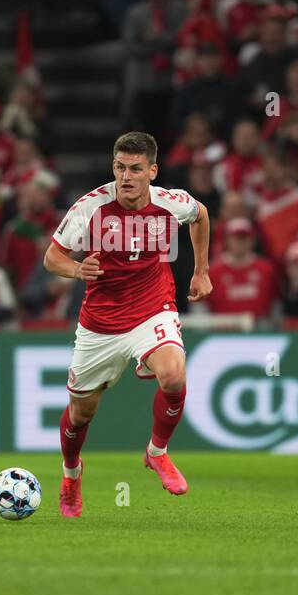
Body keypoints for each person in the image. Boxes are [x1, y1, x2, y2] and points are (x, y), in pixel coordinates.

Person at [41, 131, 211, 517]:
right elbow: (52, 258)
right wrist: (77, 269)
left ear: (153, 171)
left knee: (173, 374)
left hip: (153, 308)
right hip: (100, 323)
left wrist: (201, 271)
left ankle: (157, 453)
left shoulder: (171, 203)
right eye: (120, 167)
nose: (126, 176)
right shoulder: (90, 208)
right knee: (82, 413)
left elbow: (200, 215)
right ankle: (71, 474)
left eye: (135, 168)